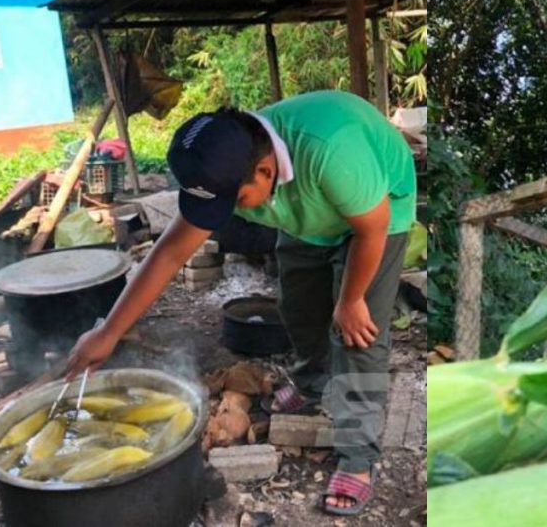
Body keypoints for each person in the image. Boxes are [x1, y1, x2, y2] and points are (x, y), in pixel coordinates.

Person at [65, 90, 417, 515]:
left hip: (378, 211)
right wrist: (108, 333)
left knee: (357, 333)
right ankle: (312, 382)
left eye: (237, 203)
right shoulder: (224, 165)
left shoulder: (331, 151)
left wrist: (352, 298)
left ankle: (359, 458)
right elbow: (170, 253)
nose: (229, 213)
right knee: (299, 308)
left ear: (266, 171)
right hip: (312, 211)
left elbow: (373, 227)